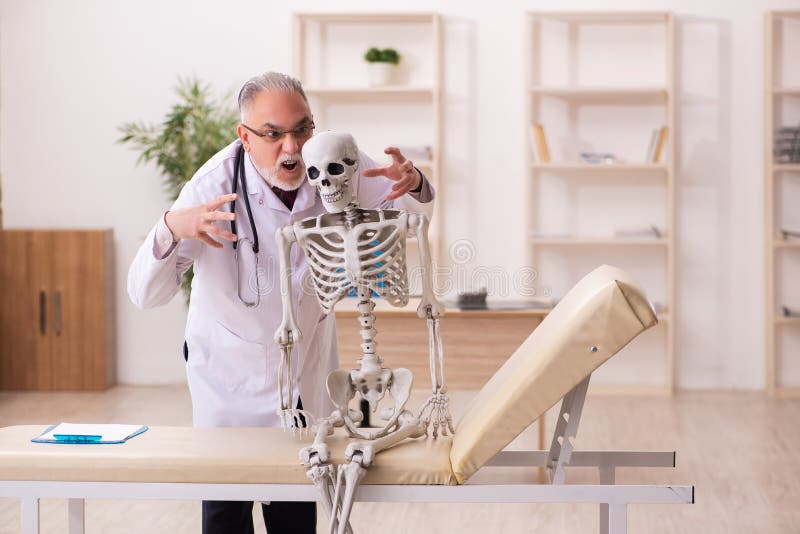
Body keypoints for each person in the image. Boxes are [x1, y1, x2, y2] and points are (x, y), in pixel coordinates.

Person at [127, 71, 434, 534]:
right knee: (226, 512)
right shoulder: (213, 185)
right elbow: (146, 293)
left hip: (305, 367)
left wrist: (413, 184)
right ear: (245, 137)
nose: (291, 148)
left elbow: (411, 219)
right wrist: (171, 227)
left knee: (297, 504)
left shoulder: (333, 161)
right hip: (228, 376)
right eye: (273, 134)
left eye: (301, 129)